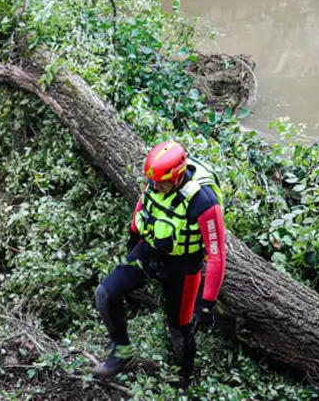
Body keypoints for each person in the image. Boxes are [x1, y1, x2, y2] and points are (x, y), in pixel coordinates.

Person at [91, 140, 227, 391]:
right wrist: (133, 240)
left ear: (176, 177)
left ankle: (183, 382)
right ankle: (122, 354)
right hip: (151, 251)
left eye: (160, 183)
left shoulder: (204, 201)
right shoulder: (155, 181)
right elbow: (142, 209)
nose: (154, 186)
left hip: (184, 268)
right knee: (105, 294)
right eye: (151, 182)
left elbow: (217, 254)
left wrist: (207, 304)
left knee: (180, 327)